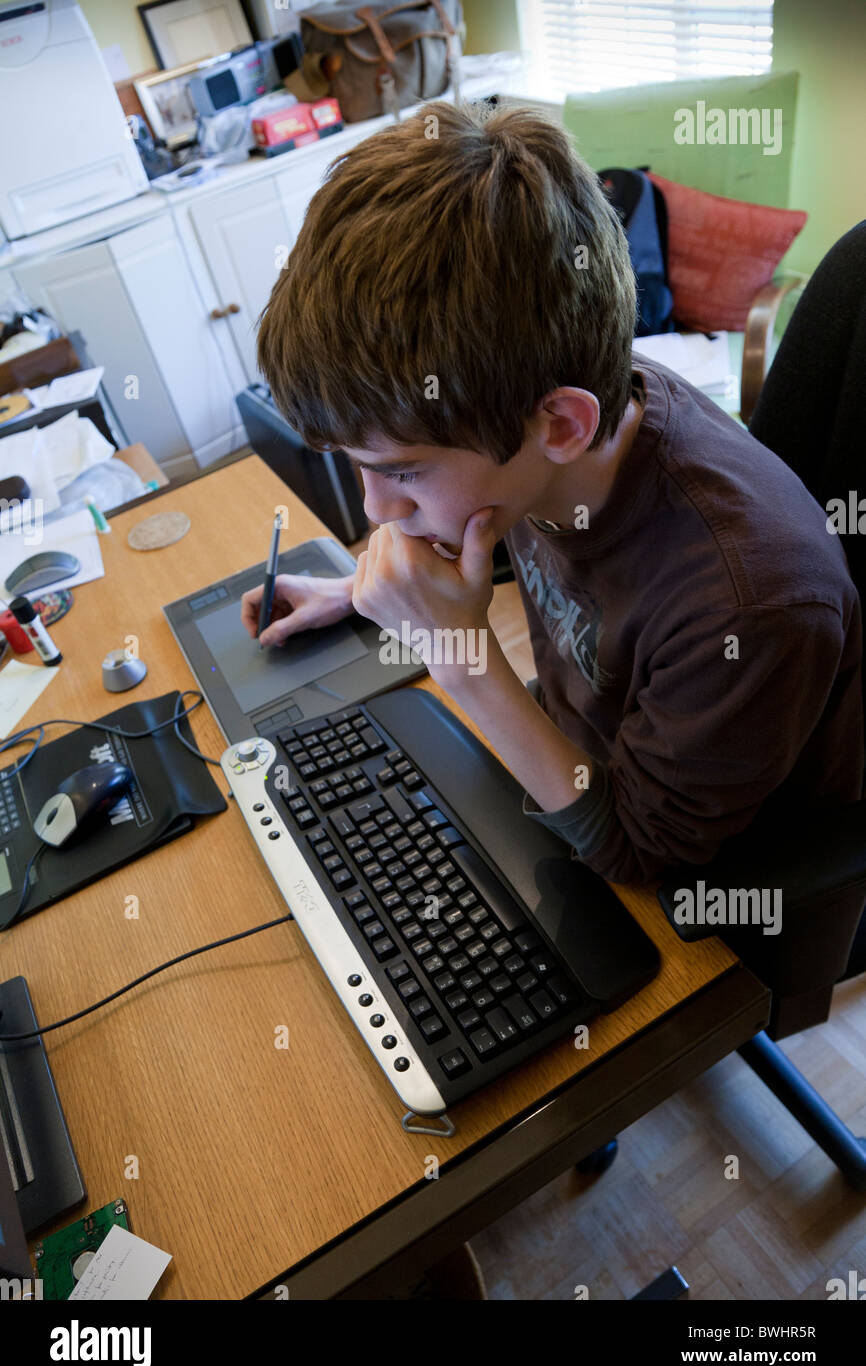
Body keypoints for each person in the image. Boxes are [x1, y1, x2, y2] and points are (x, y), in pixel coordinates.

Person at [241, 99, 863, 886]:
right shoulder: (558, 416)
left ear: (562, 424)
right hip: (581, 746)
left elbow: (644, 853)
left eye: (400, 471)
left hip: (714, 883)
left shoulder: (751, 602)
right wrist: (356, 592)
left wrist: (460, 658)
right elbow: (502, 512)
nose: (374, 510)